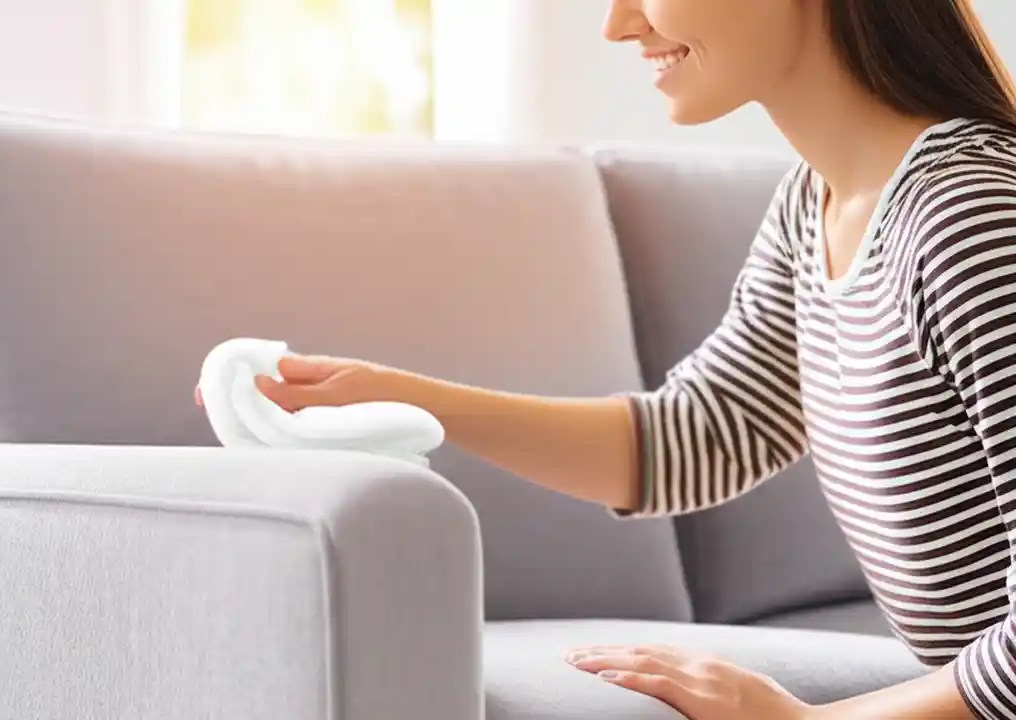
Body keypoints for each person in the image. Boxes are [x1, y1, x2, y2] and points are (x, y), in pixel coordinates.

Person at [198, 1, 1016, 717]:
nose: (618, 23)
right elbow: (693, 440)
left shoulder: (969, 216)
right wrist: (395, 398)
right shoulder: (818, 204)